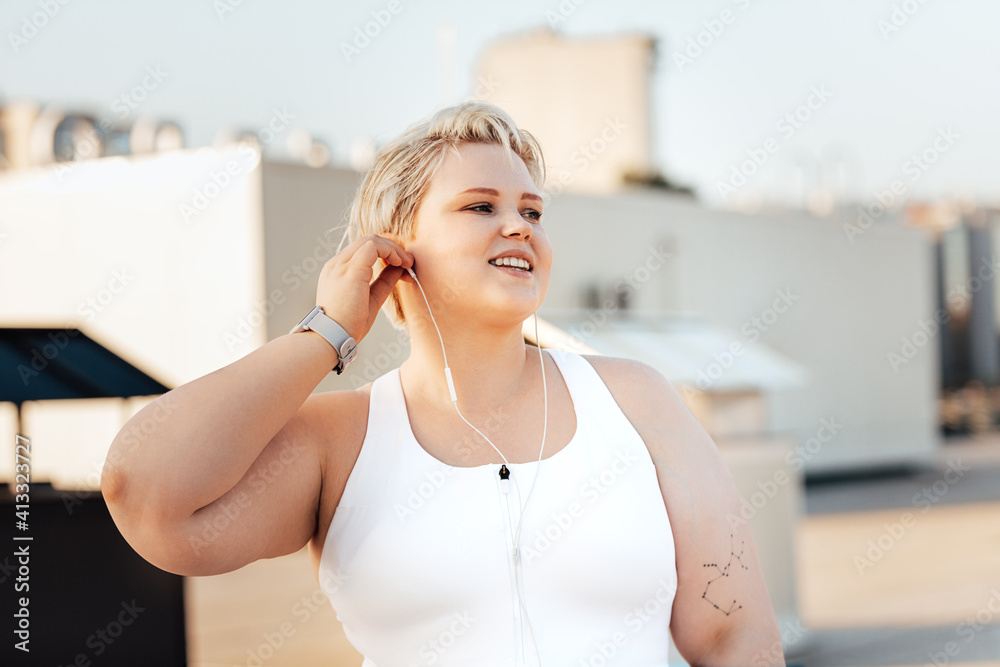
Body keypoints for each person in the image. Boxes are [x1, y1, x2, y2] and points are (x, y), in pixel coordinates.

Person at [102, 101, 785, 666]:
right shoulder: (338, 442)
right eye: (480, 206)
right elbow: (146, 492)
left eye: (533, 210)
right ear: (394, 248)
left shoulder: (635, 400)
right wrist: (326, 333)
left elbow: (736, 636)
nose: (518, 224)